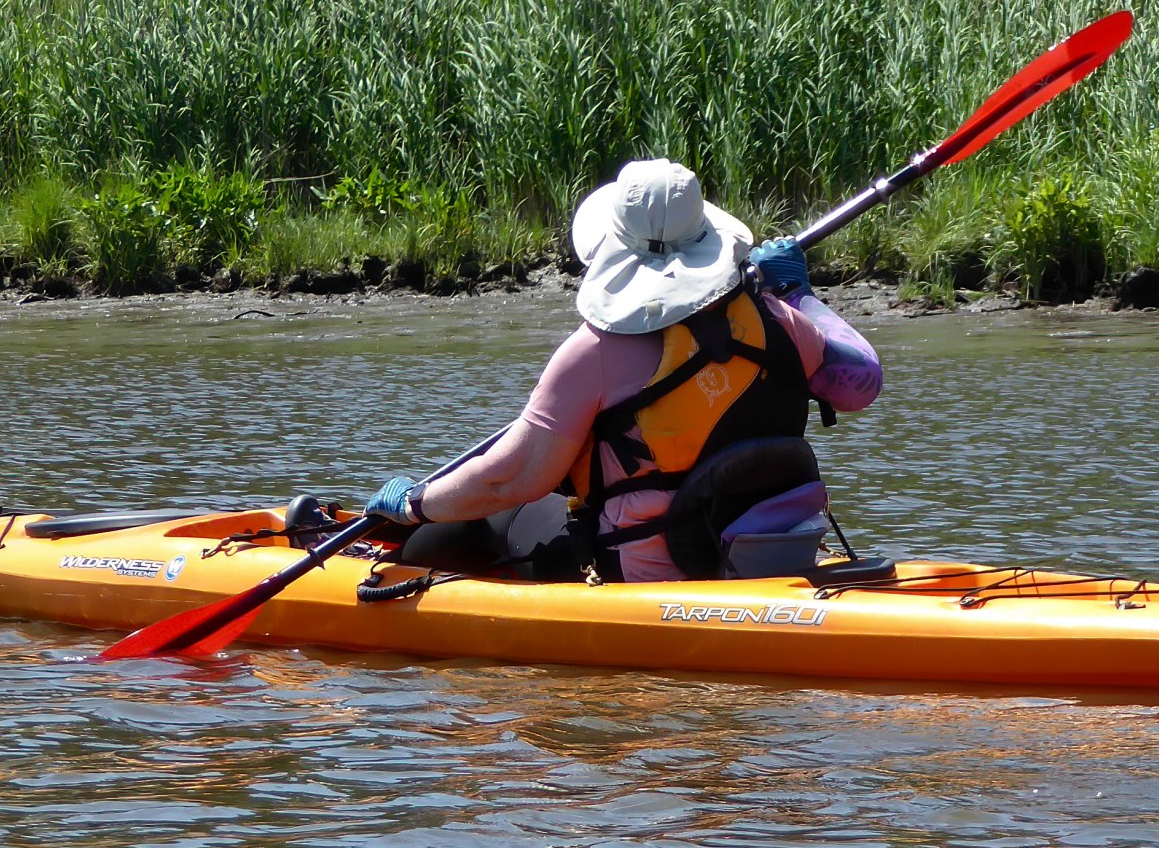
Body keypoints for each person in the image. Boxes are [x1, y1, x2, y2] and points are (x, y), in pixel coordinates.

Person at [361, 158, 882, 581]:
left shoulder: (596, 353)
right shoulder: (779, 319)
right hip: (765, 555)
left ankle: (391, 566)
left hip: (644, 575)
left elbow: (511, 480)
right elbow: (861, 382)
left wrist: (415, 504)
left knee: (466, 525)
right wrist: (799, 294)